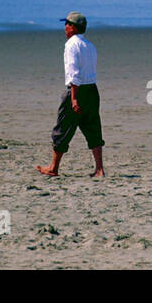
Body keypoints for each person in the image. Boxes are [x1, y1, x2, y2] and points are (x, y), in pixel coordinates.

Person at [36, 11, 104, 178]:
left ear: (72, 27)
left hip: (78, 90)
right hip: (92, 90)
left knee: (63, 128)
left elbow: (74, 73)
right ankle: (99, 169)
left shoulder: (71, 45)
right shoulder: (90, 45)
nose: (65, 28)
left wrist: (73, 98)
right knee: (93, 128)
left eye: (67, 24)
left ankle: (53, 167)